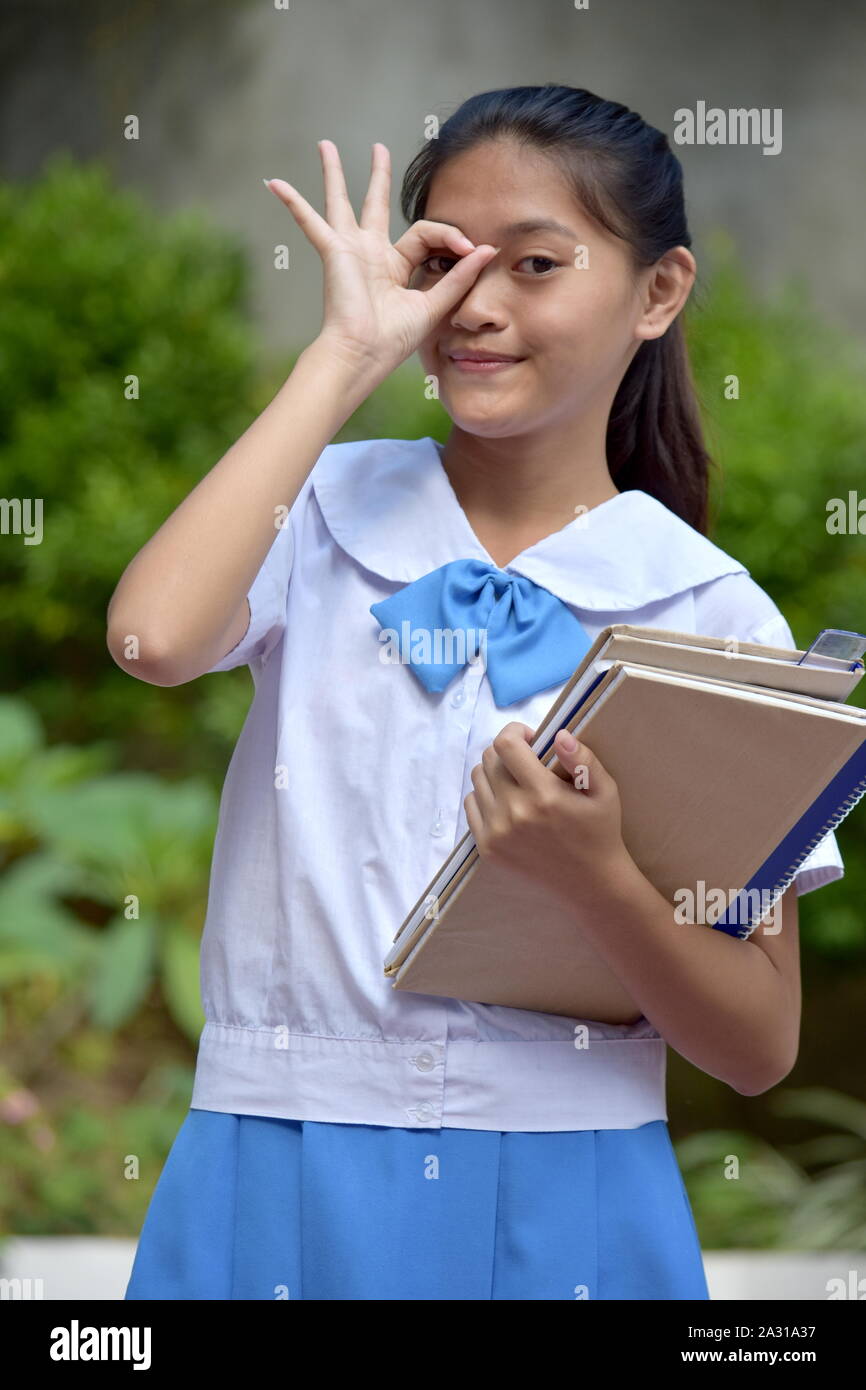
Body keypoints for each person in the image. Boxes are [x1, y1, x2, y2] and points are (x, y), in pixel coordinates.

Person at [110, 84, 844, 1301]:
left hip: (573, 1199)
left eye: (537, 265)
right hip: (274, 1163)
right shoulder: (322, 509)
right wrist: (344, 353)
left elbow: (758, 1043)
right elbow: (150, 636)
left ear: (657, 292)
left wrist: (594, 876)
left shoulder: (707, 613)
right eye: (448, 263)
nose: (478, 307)